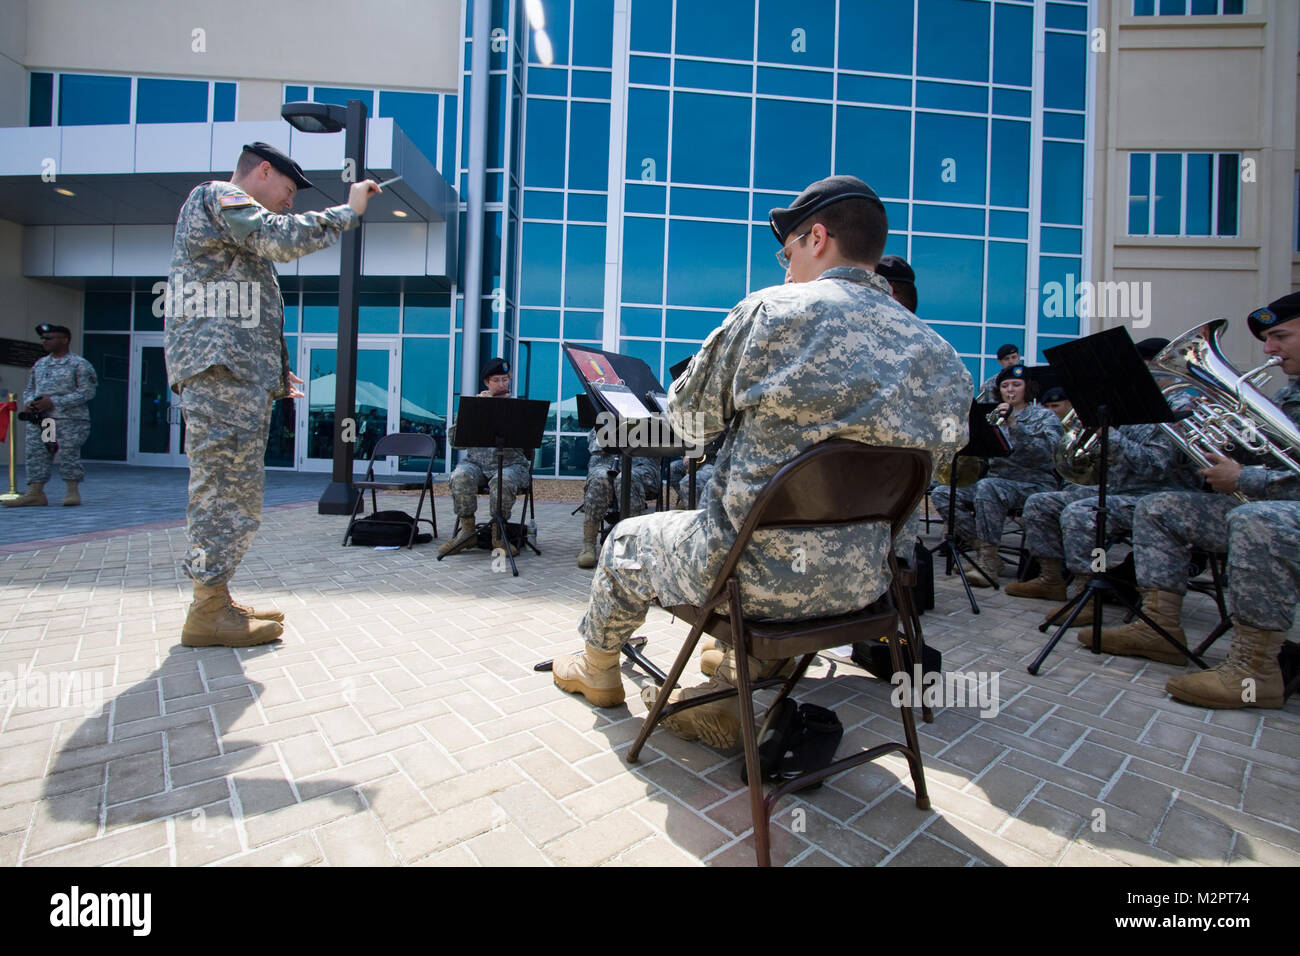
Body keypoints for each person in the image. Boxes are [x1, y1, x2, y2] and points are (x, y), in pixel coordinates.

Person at [550, 175, 972, 747]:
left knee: (626, 538)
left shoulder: (771, 313)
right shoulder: (943, 358)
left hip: (749, 578)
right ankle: (732, 684)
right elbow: (938, 471)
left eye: (788, 249)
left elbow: (690, 424)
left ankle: (597, 670)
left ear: (816, 237)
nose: (785, 266)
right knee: (772, 554)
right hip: (862, 585)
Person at [165, 140, 381, 647]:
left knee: (234, 491)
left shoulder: (226, 223)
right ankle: (207, 609)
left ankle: (215, 597)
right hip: (220, 374)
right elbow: (279, 239)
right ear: (262, 171)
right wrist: (347, 211)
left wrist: (276, 370)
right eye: (287, 190)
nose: (289, 202)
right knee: (221, 491)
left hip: (233, 374)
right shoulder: (218, 197)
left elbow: (244, 306)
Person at [1088, 293, 1300, 710]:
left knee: (1258, 521)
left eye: (1280, 336)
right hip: (1276, 502)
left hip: (1275, 512)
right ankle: (1158, 627)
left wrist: (1246, 477)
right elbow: (1274, 457)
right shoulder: (1290, 393)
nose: (1268, 349)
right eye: (1267, 339)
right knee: (1159, 508)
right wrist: (1227, 441)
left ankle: (1255, 672)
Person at [930, 364, 1063, 585]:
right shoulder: (991, 417)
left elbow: (1048, 455)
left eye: (1016, 385)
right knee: (944, 492)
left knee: (988, 488)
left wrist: (1015, 425)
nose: (1010, 390)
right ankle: (984, 549)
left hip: (1033, 482)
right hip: (996, 482)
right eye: (1005, 385)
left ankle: (988, 563)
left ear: (1027, 388)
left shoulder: (1044, 417)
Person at [440, 357, 531, 557]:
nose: (502, 385)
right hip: (477, 464)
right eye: (497, 380)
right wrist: (469, 414)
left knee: (502, 480)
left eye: (505, 380)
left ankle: (498, 536)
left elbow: (529, 442)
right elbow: (457, 442)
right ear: (486, 383)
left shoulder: (517, 407)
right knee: (460, 476)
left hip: (511, 464)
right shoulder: (473, 405)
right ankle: (467, 532)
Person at [3, 324, 98, 508]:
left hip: (69, 420)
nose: (44, 341)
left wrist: (53, 401)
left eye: (49, 338)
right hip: (44, 421)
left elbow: (87, 393)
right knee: (38, 453)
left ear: (64, 340)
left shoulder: (79, 364)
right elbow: (30, 388)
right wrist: (30, 402)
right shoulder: (40, 364)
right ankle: (35, 493)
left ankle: (72, 491)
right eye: (43, 339)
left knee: (68, 454)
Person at [578, 433, 661, 568]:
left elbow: (660, 447)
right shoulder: (606, 417)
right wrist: (615, 431)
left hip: (641, 466)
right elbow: (595, 447)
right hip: (606, 464)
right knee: (600, 478)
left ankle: (632, 544)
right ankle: (588, 544)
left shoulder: (653, 418)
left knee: (627, 478)